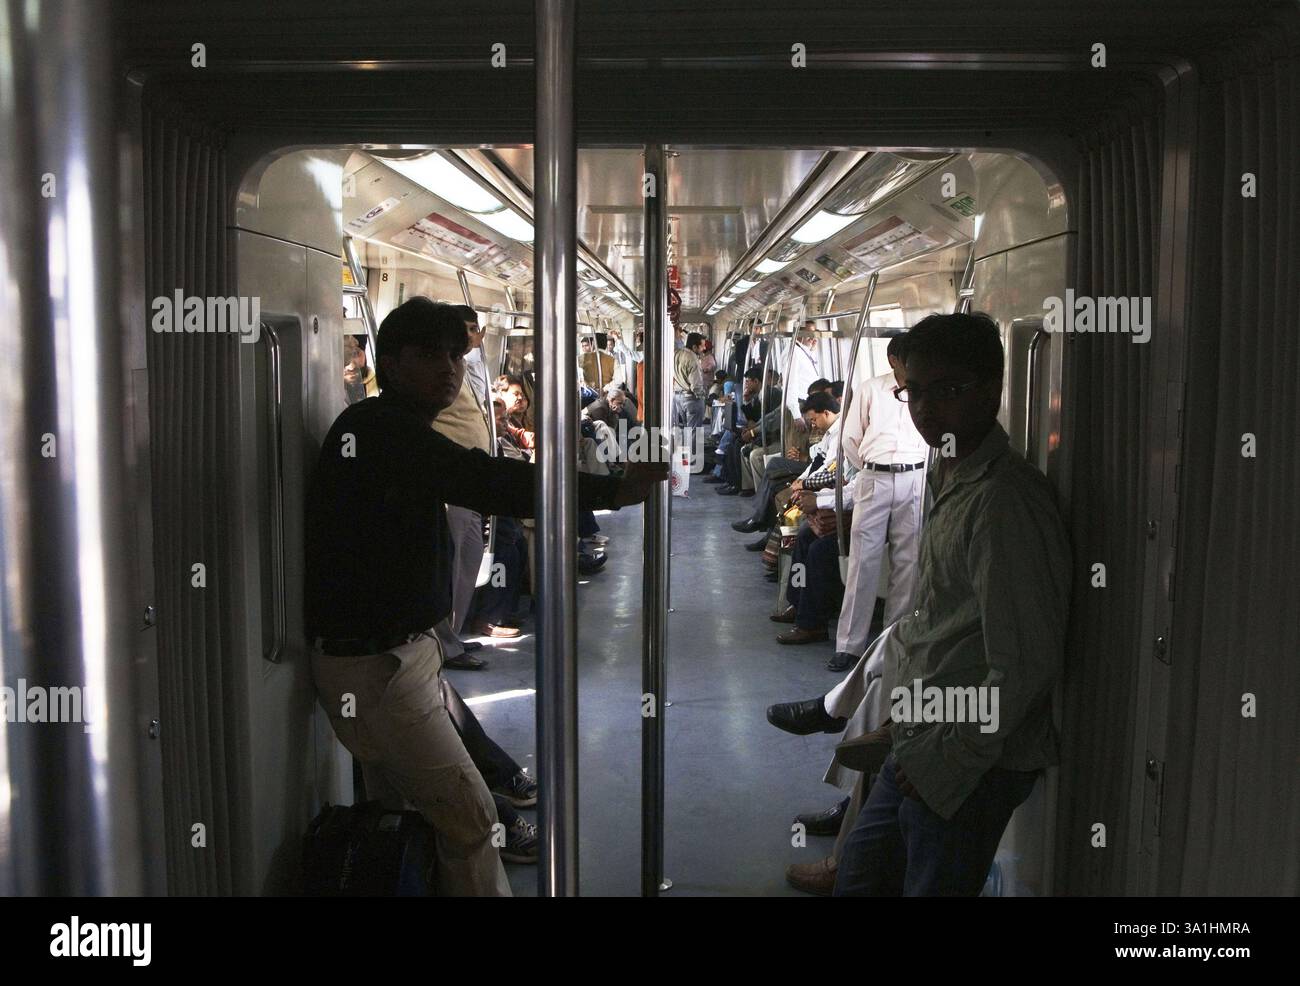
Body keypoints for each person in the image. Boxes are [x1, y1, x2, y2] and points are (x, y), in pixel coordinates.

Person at [304, 297, 666, 896]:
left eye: (453, 354)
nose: (448, 368)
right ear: (389, 365)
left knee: (416, 812)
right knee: (472, 819)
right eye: (428, 356)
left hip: (396, 658)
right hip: (378, 667)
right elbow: (482, 477)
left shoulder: (392, 428)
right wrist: (612, 490)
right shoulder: (380, 430)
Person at [829, 311, 1071, 897]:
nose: (925, 409)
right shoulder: (949, 471)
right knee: (861, 875)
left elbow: (1025, 665)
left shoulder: (1003, 503)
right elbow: (945, 623)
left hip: (971, 760)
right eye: (915, 392)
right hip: (923, 734)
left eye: (949, 390)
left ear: (992, 389)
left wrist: (949, 758)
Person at [826, 332, 929, 672]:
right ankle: (849, 645)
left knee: (908, 561)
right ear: (893, 362)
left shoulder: (925, 389)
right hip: (875, 477)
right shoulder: (870, 389)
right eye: (906, 362)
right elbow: (850, 439)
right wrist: (872, 467)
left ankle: (893, 643)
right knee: (863, 560)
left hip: (915, 476)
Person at [429, 306, 496, 671]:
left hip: (469, 485)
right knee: (451, 564)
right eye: (468, 330)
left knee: (470, 557)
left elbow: (482, 393)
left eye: (475, 329)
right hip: (450, 483)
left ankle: (452, 635)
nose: (475, 335)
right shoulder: (439, 374)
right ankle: (443, 645)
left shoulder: (464, 368)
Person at [672, 331, 708, 465]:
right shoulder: (693, 358)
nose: (704, 348)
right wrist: (705, 397)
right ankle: (691, 461)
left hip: (678, 397)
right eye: (702, 346)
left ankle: (684, 458)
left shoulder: (677, 354)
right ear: (694, 347)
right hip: (691, 398)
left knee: (685, 429)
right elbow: (697, 386)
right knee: (694, 431)